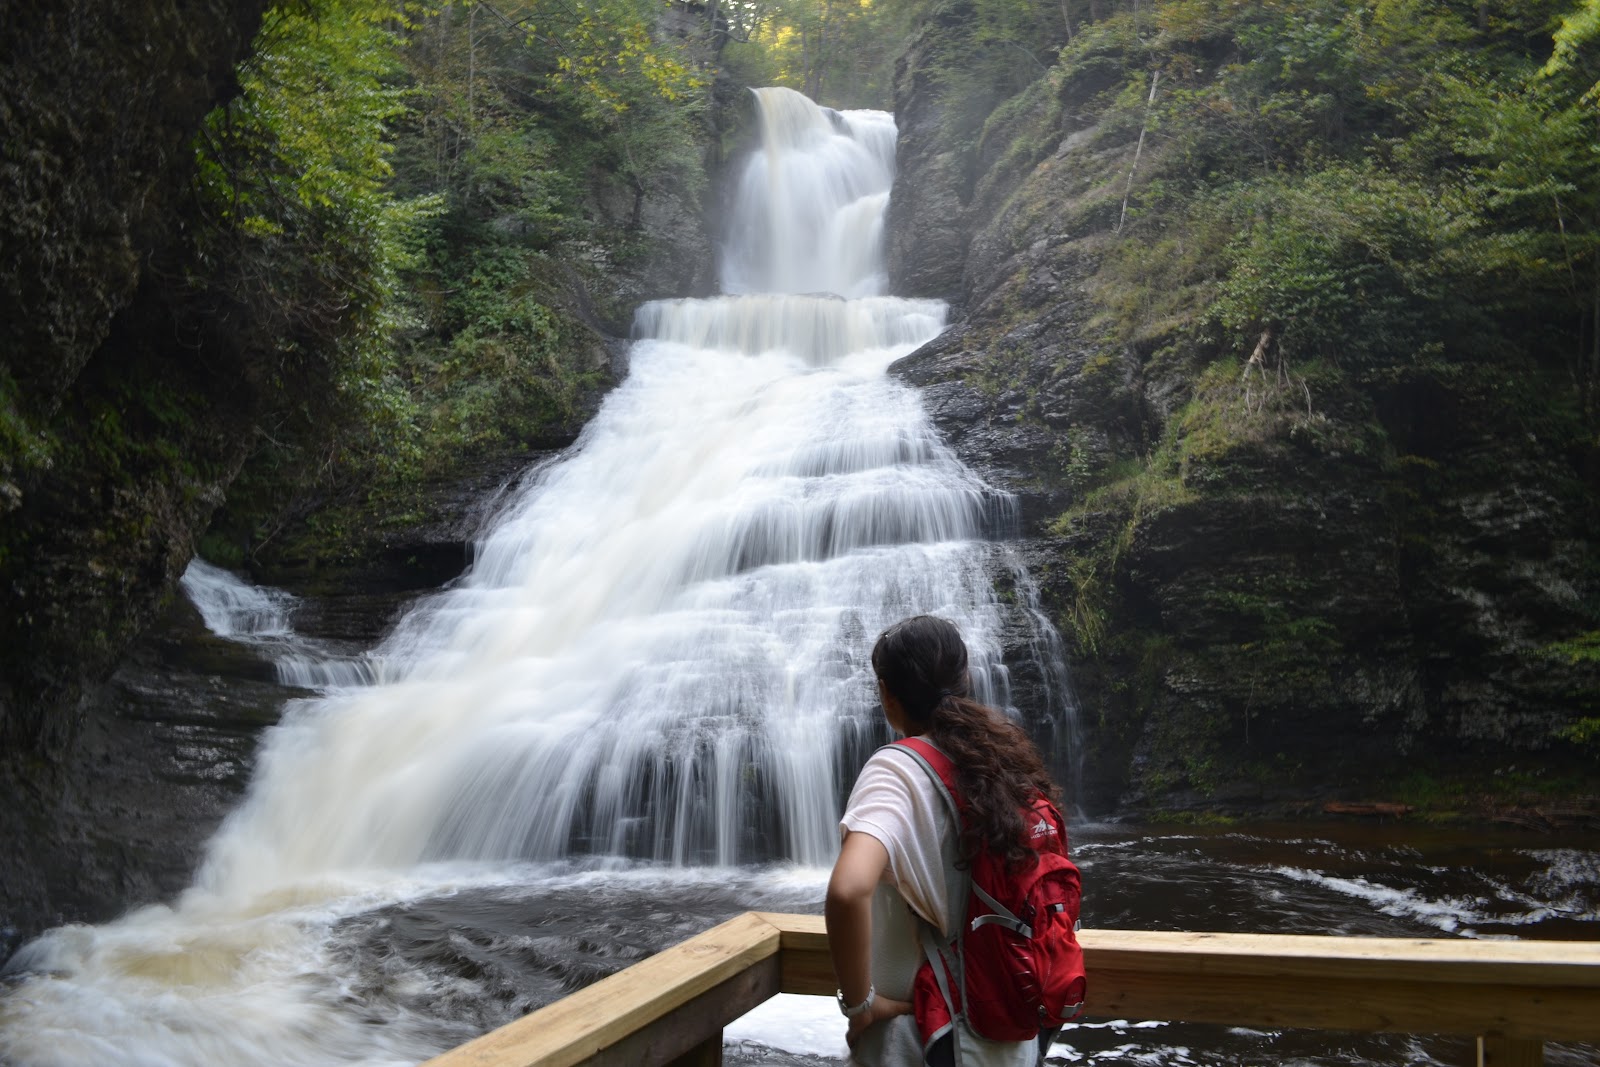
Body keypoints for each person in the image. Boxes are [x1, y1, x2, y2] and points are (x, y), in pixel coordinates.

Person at [826, 615, 1063, 1067]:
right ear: (965, 678)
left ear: (886, 693)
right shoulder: (1003, 763)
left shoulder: (896, 771)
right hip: (1008, 1036)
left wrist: (860, 1006)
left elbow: (848, 890)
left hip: (922, 1041)